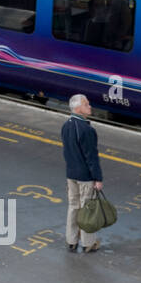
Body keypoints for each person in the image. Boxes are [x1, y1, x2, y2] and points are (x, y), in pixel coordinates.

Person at [61, 94, 104, 253]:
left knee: (73, 207)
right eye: (86, 104)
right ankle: (88, 243)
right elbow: (91, 156)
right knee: (87, 209)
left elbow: (66, 151)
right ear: (78, 109)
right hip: (85, 176)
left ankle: (71, 240)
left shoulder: (66, 126)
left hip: (71, 174)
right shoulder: (87, 130)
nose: (90, 106)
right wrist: (97, 178)